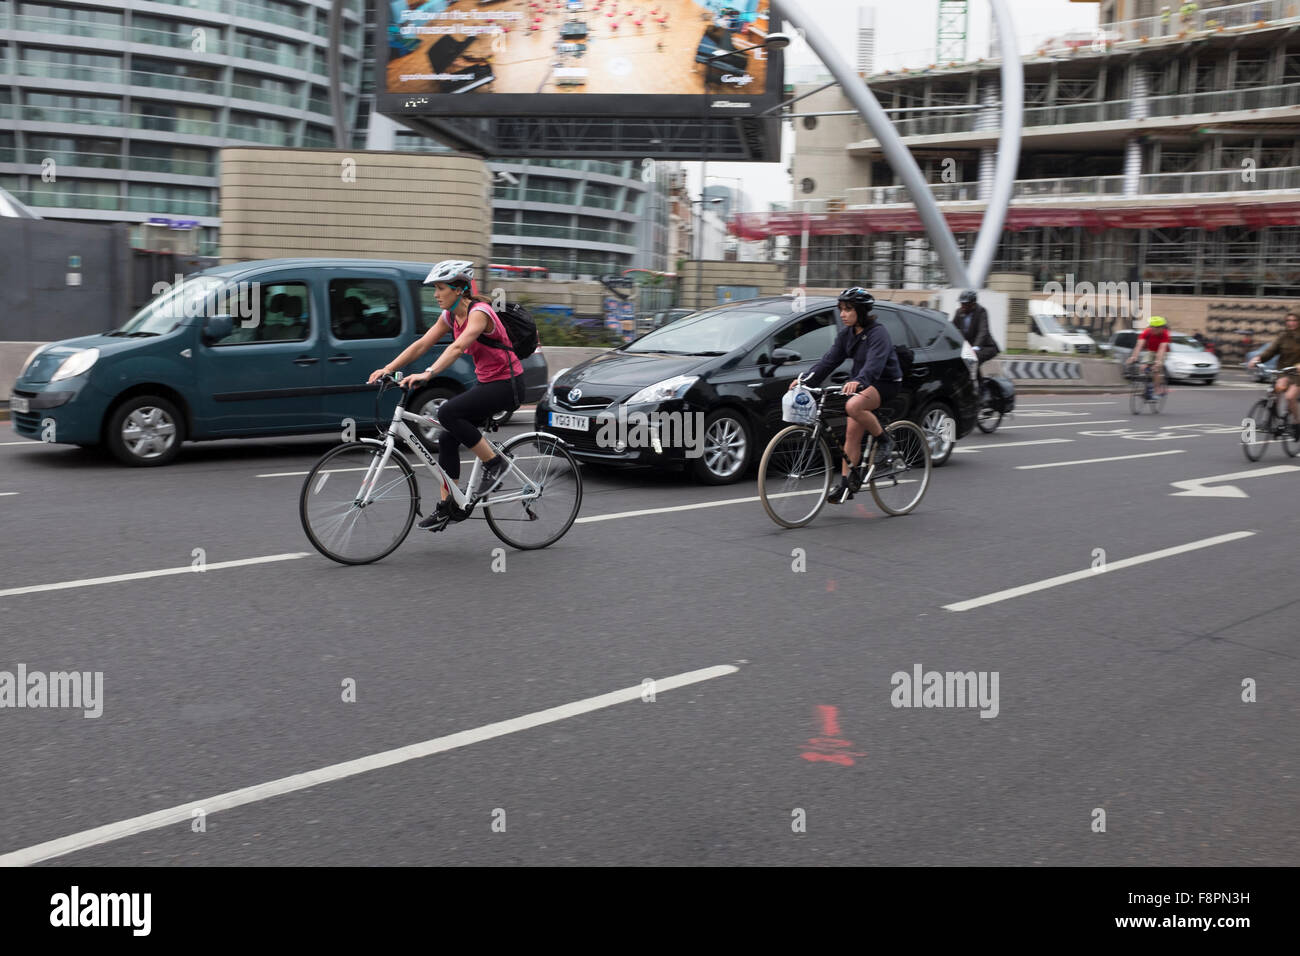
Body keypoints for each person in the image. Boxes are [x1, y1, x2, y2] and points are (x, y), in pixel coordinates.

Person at [366, 260, 524, 532]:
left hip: (507, 385)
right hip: (487, 383)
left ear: (459, 289)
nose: (436, 295)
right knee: (447, 436)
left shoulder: (480, 313)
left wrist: (428, 373)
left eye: (440, 288)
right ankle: (449, 505)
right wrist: (389, 368)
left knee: (447, 412)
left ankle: (495, 463)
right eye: (435, 289)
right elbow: (422, 344)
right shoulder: (450, 316)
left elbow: (458, 347)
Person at [792, 287, 902, 505]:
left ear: (860, 311)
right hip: (863, 382)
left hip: (885, 381)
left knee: (853, 407)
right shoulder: (847, 335)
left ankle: (885, 441)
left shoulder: (878, 333)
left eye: (848, 309)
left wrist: (859, 381)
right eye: (841, 309)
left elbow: (874, 365)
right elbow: (829, 361)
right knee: (851, 435)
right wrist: (805, 380)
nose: (842, 314)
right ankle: (846, 485)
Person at [1247, 310, 1300, 438]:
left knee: (1289, 397)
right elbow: (1271, 351)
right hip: (1284, 371)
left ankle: (1296, 422)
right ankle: (1274, 420)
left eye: (1294, 320)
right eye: (1289, 320)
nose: (1291, 323)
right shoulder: (1283, 336)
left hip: (1298, 373)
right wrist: (1258, 359)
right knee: (1275, 390)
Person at [953, 290, 999, 378]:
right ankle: (975, 381)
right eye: (961, 303)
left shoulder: (981, 311)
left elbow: (983, 331)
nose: (962, 306)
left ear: (973, 304)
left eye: (965, 304)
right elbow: (952, 328)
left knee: (973, 358)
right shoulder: (959, 312)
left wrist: (975, 347)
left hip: (986, 347)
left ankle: (976, 382)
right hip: (969, 348)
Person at [1126, 316, 1171, 397]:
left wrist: (1158, 362)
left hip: (1163, 352)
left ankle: (1157, 388)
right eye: (1151, 327)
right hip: (1151, 351)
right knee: (1143, 366)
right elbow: (1139, 345)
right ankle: (1148, 386)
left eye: (1155, 328)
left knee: (1156, 369)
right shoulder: (1147, 332)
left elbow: (1162, 348)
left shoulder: (1165, 334)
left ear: (1161, 328)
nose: (1153, 330)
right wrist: (1134, 357)